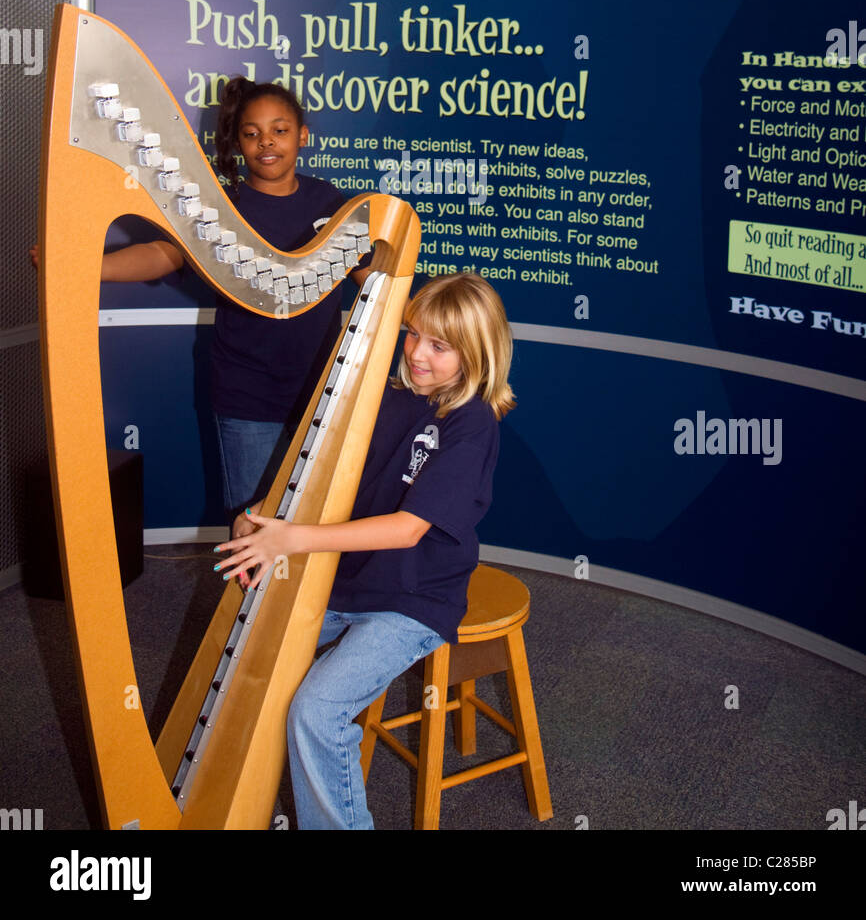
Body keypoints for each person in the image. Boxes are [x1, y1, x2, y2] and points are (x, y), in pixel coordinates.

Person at [214, 271, 515, 831]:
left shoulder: (472, 425)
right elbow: (320, 475)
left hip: (413, 599)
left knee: (317, 711)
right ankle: (258, 802)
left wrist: (293, 539)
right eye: (412, 335)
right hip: (345, 580)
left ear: (476, 353)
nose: (417, 353)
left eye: (438, 345)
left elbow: (406, 530)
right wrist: (262, 514)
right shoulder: (386, 394)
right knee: (250, 665)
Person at [33, 77, 368, 523]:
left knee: (316, 526)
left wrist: (423, 309)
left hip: (322, 391)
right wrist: (80, 263)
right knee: (251, 526)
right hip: (248, 396)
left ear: (303, 135)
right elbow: (160, 254)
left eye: (280, 130)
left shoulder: (330, 201)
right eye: (251, 133)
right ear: (237, 141)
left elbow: (369, 271)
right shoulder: (219, 207)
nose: (266, 142)